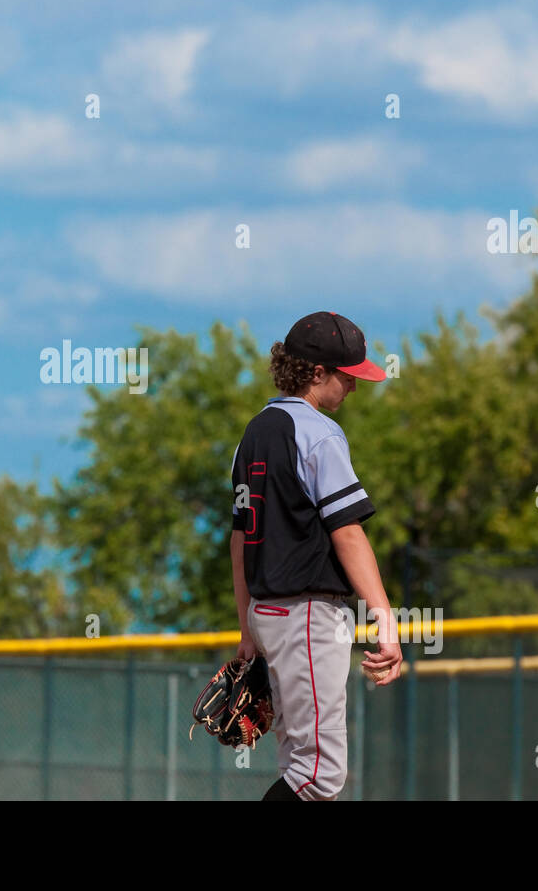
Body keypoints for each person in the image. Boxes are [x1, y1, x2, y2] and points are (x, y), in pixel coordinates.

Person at [229, 311, 403, 801]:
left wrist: (248, 626)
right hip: (306, 615)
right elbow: (346, 532)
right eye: (347, 376)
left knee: (297, 764)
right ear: (316, 372)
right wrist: (384, 617)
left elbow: (240, 540)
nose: (353, 387)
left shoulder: (253, 434)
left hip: (269, 613)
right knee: (319, 775)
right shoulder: (319, 433)